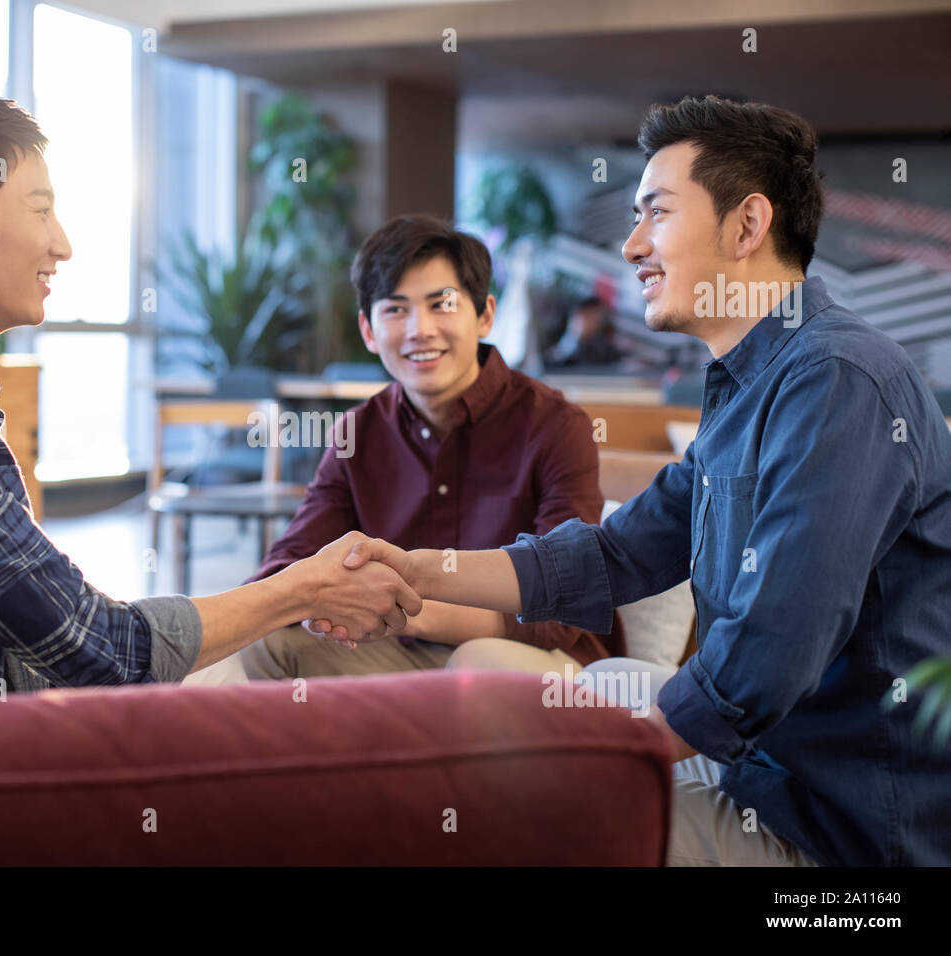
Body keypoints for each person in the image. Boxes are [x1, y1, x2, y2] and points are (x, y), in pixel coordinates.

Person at [315, 95, 951, 867]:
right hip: (758, 775)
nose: (631, 244)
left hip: (834, 834)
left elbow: (768, 650)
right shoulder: (749, 384)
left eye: (656, 213)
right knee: (495, 712)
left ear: (747, 226)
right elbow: (609, 557)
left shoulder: (837, 382)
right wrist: (417, 569)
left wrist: (618, 752)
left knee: (512, 819)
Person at [0, 86, 419, 693]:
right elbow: (101, 651)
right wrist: (302, 587)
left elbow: (66, 626)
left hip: (1, 707)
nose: (63, 245)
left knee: (272, 663)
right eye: (40, 211)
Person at [233, 215, 623, 681]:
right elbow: (288, 563)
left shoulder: (556, 425)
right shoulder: (357, 433)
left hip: (526, 659)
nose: (420, 329)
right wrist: (309, 604)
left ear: (485, 315)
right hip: (401, 652)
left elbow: (564, 604)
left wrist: (392, 607)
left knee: (477, 664)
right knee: (271, 642)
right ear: (369, 330)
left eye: (442, 304)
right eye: (396, 310)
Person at [547, 296, 625, 367]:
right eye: (588, 317)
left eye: (597, 318)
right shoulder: (564, 343)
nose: (595, 322)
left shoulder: (602, 345)